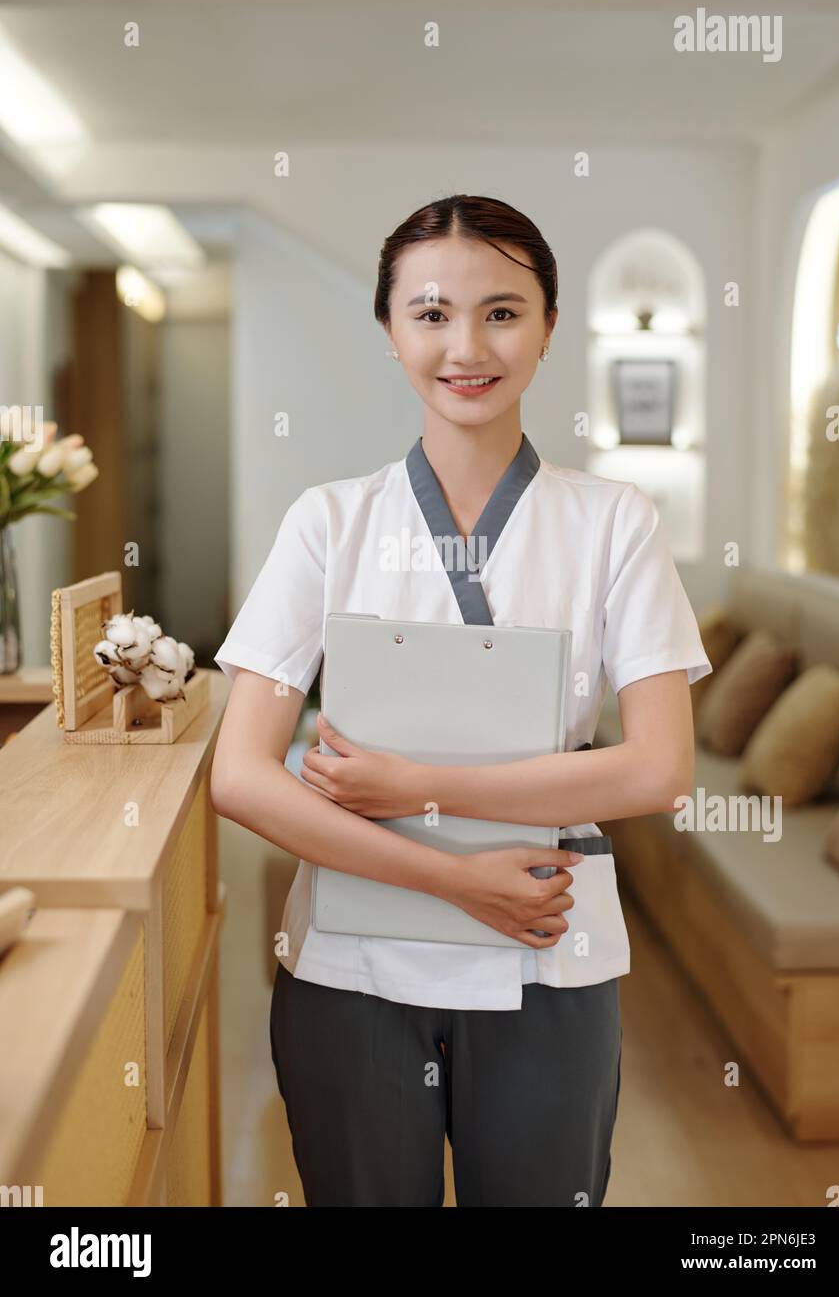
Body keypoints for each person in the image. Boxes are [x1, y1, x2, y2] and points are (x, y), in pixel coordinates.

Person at [211, 194, 712, 1207]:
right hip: (354, 965)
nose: (465, 345)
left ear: (547, 327)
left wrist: (415, 782)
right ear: (390, 330)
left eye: (501, 311)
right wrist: (450, 878)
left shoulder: (613, 521)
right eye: (431, 313)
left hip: (547, 958)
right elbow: (239, 776)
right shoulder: (328, 523)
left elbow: (659, 769)